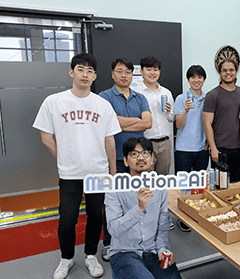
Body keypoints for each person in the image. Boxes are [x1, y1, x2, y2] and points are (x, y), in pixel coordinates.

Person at [33, 53, 121, 279]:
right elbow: (45, 136)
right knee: (67, 219)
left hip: (98, 172)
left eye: (90, 71)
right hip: (70, 173)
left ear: (95, 76)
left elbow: (109, 140)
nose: (86, 74)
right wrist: (64, 157)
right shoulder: (54, 101)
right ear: (72, 72)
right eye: (81, 69)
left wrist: (113, 172)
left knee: (95, 216)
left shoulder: (102, 104)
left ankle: (90, 255)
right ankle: (66, 258)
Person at [105, 137, 182, 279]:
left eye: (145, 153)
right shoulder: (114, 188)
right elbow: (114, 230)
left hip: (151, 251)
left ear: (152, 159)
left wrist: (163, 249)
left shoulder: (160, 188)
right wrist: (138, 209)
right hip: (124, 252)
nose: (141, 157)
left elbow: (163, 227)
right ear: (126, 161)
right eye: (134, 154)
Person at [99, 58, 152, 261]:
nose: (124, 75)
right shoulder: (104, 97)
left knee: (138, 198)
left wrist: (120, 123)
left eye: (128, 72)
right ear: (113, 74)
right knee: (113, 202)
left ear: (132, 75)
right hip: (116, 160)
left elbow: (148, 123)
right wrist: (130, 122)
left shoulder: (140, 97)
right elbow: (109, 124)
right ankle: (109, 242)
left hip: (139, 160)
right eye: (120, 71)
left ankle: (137, 238)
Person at [203, 58, 240, 183]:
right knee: (220, 185)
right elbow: (207, 124)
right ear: (219, 73)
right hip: (220, 149)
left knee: (235, 184)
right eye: (225, 70)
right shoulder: (212, 95)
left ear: (236, 71)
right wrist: (213, 148)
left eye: (231, 70)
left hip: (239, 148)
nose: (228, 73)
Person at [174, 65, 209, 232]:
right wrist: (186, 110)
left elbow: (212, 123)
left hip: (202, 149)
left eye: (200, 77)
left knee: (199, 185)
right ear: (188, 80)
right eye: (193, 77)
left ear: (204, 79)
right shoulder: (181, 99)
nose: (196, 80)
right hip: (183, 149)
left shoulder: (208, 98)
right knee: (184, 187)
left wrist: (208, 143)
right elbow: (179, 125)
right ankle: (184, 218)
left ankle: (197, 213)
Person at [132, 56, 175, 175]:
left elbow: (172, 119)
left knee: (163, 180)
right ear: (141, 71)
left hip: (165, 143)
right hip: (145, 143)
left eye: (155, 69)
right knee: (146, 180)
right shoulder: (136, 93)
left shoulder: (166, 92)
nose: (152, 73)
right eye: (149, 69)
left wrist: (168, 112)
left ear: (159, 72)